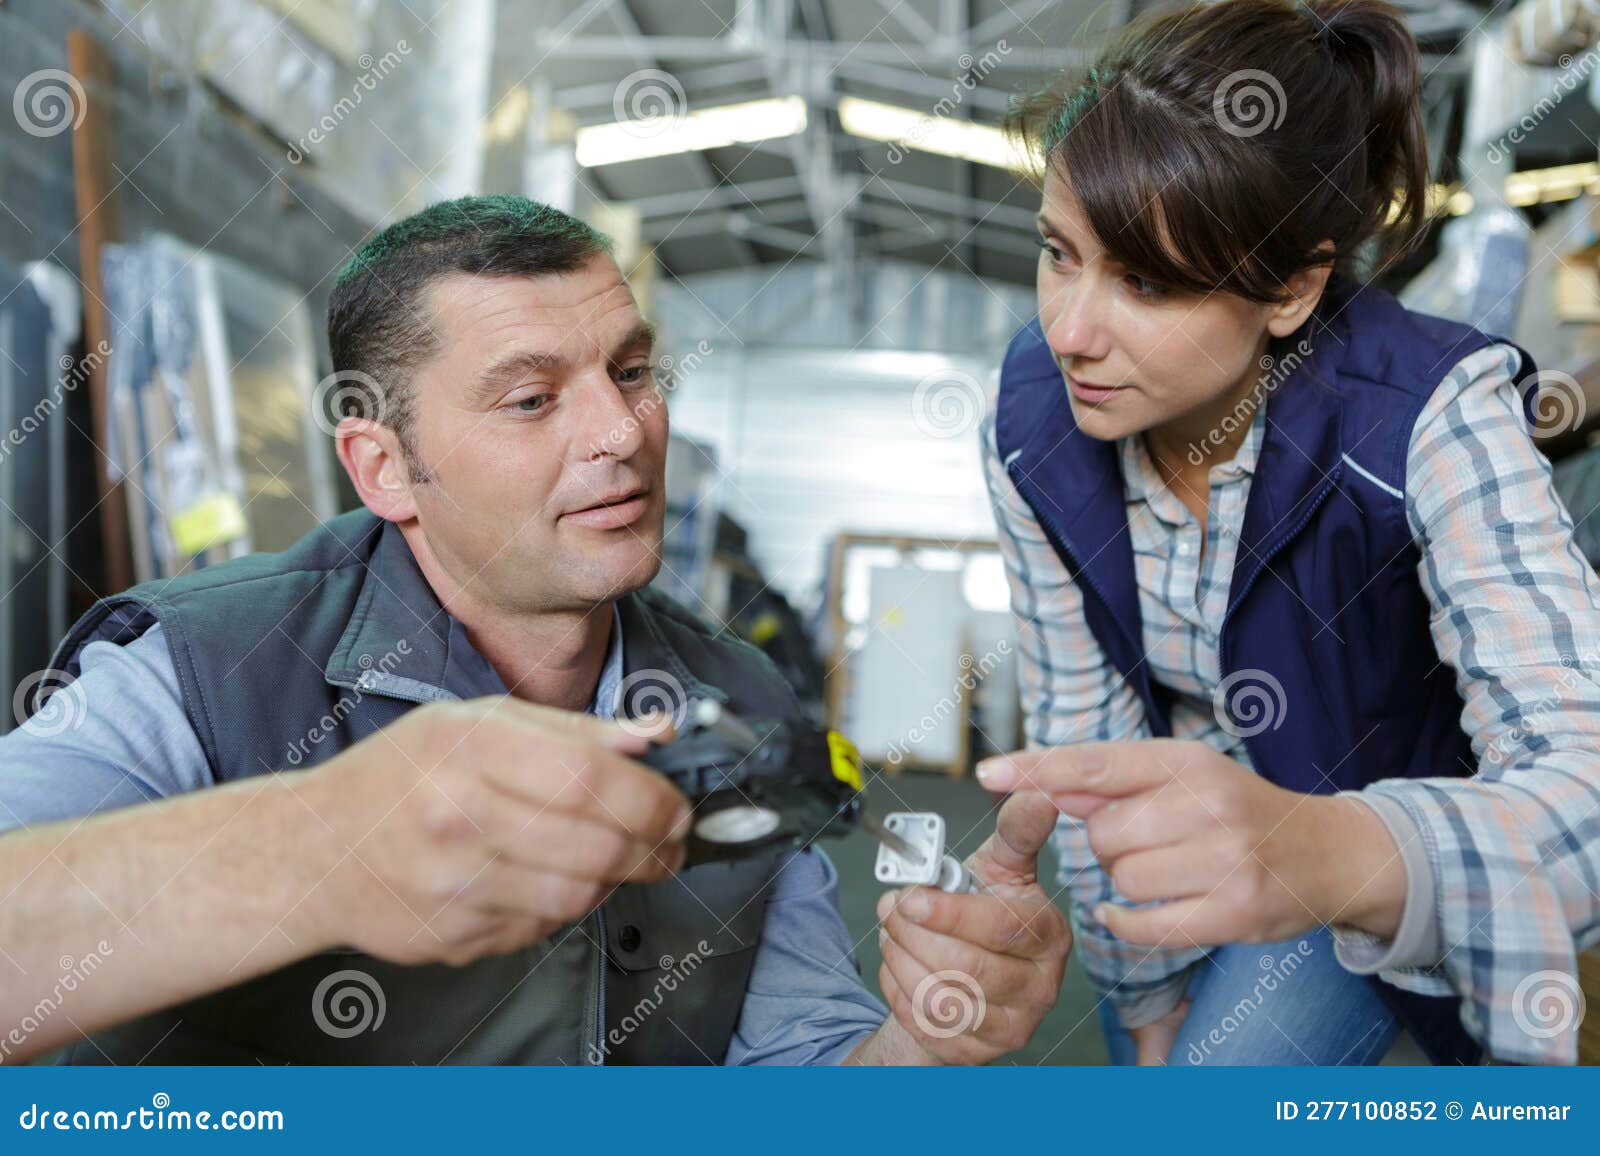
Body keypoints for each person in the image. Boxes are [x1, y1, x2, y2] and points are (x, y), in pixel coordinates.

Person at [0, 195, 1071, 1065]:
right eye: (529, 399)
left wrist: (923, 1044)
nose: (622, 432)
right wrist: (322, 840)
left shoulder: (739, 700)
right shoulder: (198, 671)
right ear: (384, 468)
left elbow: (795, 1073)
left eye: (632, 372)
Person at [974, 0, 1600, 1065]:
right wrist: (1142, 1001)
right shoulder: (1033, 426)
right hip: (1172, 844)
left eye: (1146, 281)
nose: (1069, 330)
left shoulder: (1428, 412)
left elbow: (1583, 784)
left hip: (1365, 841)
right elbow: (1088, 733)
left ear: (1294, 288)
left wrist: (1323, 850)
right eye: (1057, 252)